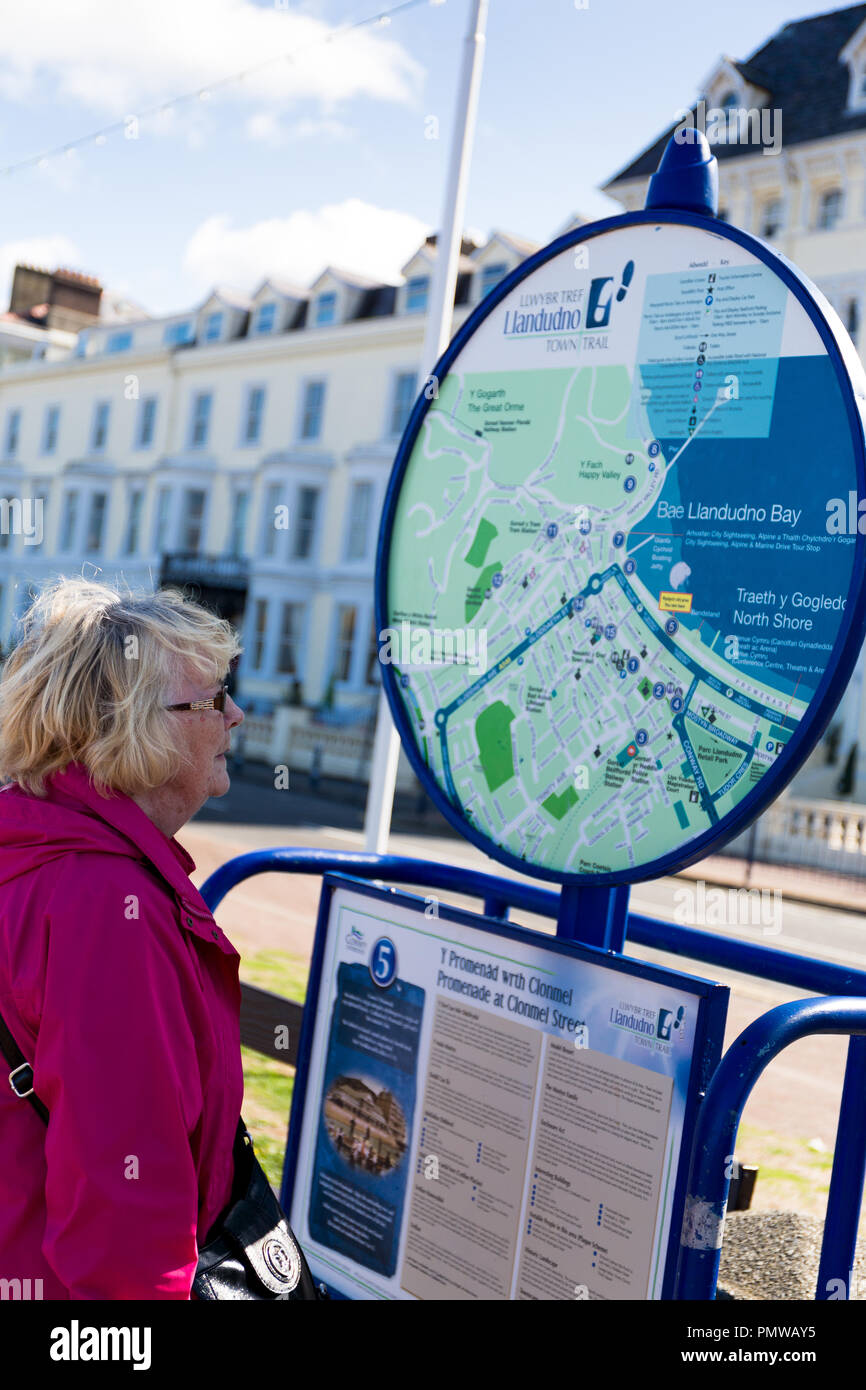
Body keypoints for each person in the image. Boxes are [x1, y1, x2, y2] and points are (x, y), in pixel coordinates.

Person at [0, 577, 245, 1299]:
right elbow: (125, 1234)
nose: (235, 715)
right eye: (210, 700)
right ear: (135, 725)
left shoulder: (34, 842)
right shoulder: (107, 906)